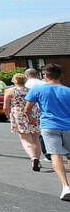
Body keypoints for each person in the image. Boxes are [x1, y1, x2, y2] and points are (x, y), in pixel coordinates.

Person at [25, 63, 70, 201]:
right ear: (60, 75)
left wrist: (32, 119)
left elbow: (27, 108)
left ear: (45, 76)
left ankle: (65, 186)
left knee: (55, 155)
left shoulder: (38, 90)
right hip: (68, 125)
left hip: (49, 125)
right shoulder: (68, 90)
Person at [3, 72, 42, 172]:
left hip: (19, 114)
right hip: (33, 113)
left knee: (25, 140)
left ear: (14, 81)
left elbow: (5, 106)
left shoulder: (9, 91)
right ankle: (38, 159)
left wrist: (8, 115)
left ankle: (33, 158)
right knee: (36, 140)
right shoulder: (31, 90)